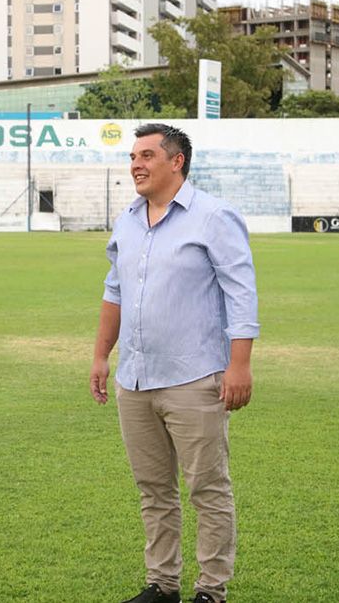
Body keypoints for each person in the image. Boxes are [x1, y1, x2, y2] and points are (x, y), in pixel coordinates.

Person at [90, 123, 259, 603]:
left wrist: (240, 365)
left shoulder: (214, 216)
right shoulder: (127, 220)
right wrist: (101, 355)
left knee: (208, 488)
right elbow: (114, 292)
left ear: (176, 161)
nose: (135, 165)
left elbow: (241, 293)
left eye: (146, 155)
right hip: (135, 378)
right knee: (153, 489)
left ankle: (211, 590)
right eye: (132, 157)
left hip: (195, 377)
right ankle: (162, 585)